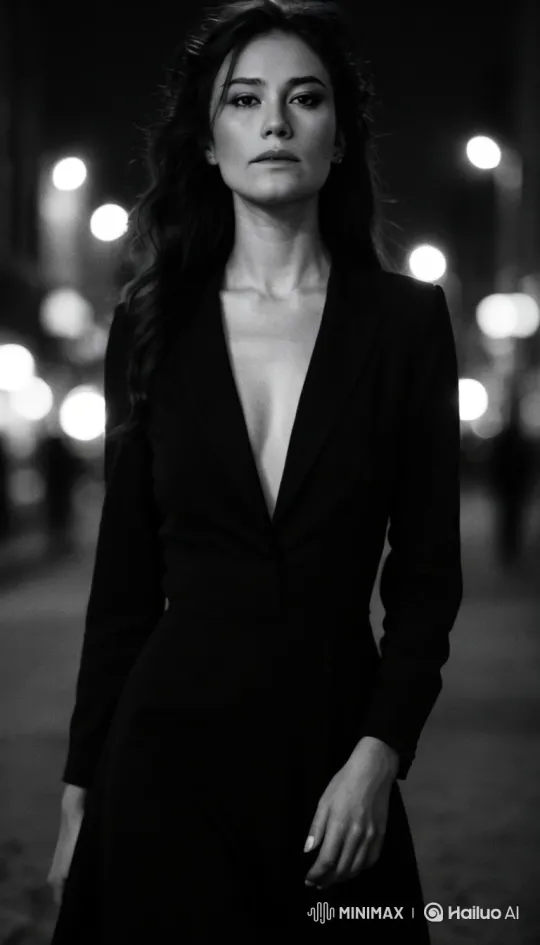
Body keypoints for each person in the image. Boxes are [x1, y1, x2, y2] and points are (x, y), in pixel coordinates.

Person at [47, 1, 463, 942]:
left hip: (334, 754)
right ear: (208, 140)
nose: (275, 121)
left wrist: (380, 754)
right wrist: (81, 787)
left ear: (340, 138)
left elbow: (429, 576)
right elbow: (124, 583)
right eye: (245, 100)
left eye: (304, 98)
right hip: (161, 758)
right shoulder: (149, 321)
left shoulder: (406, 324)